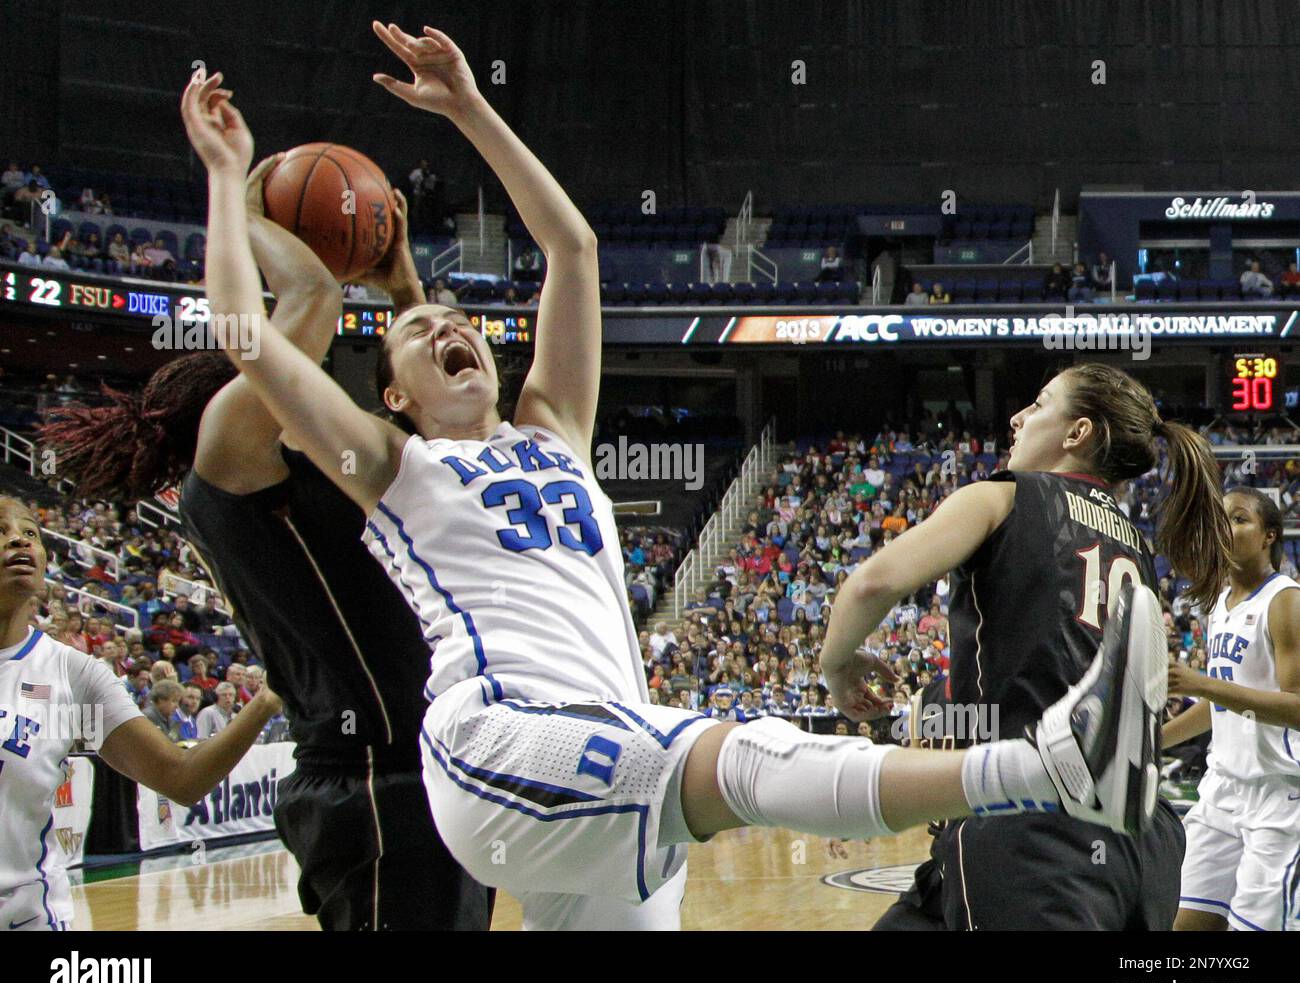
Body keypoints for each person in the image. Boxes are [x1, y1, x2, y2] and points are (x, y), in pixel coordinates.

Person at [183, 21, 1165, 931]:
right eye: (414, 331)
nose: (443, 325)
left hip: (608, 747)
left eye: (456, 320)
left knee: (709, 770)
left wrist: (468, 108)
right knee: (744, 755)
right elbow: (243, 338)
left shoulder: (553, 428)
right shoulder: (392, 466)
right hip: (496, 743)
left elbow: (572, 245)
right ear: (389, 396)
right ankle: (1043, 769)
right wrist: (230, 180)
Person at [43, 95, 491, 935]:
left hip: (411, 764)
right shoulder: (226, 454)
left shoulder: (288, 468)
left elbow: (426, 432)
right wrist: (238, 197)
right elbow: (307, 297)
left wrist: (402, 289)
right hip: (369, 773)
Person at [825, 363, 1228, 931]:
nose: (1017, 417)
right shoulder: (1133, 545)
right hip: (1140, 835)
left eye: (1038, 404)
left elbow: (872, 583)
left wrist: (836, 665)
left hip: (1036, 821)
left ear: (1077, 433)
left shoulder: (1002, 496)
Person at [0, 498, 282, 929]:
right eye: (0, 530)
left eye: (30, 532)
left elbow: (180, 778)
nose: (19, 538)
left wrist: (264, 701)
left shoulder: (72, 673)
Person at [1160, 488, 1300, 932]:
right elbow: (1220, 702)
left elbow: (1297, 707)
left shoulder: (1285, 600)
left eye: (1239, 519)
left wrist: (1200, 681)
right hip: (1222, 788)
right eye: (1221, 519)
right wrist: (1154, 741)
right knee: (1186, 924)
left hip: (1278, 795)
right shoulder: (1220, 604)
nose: (1226, 528)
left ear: (1268, 536)